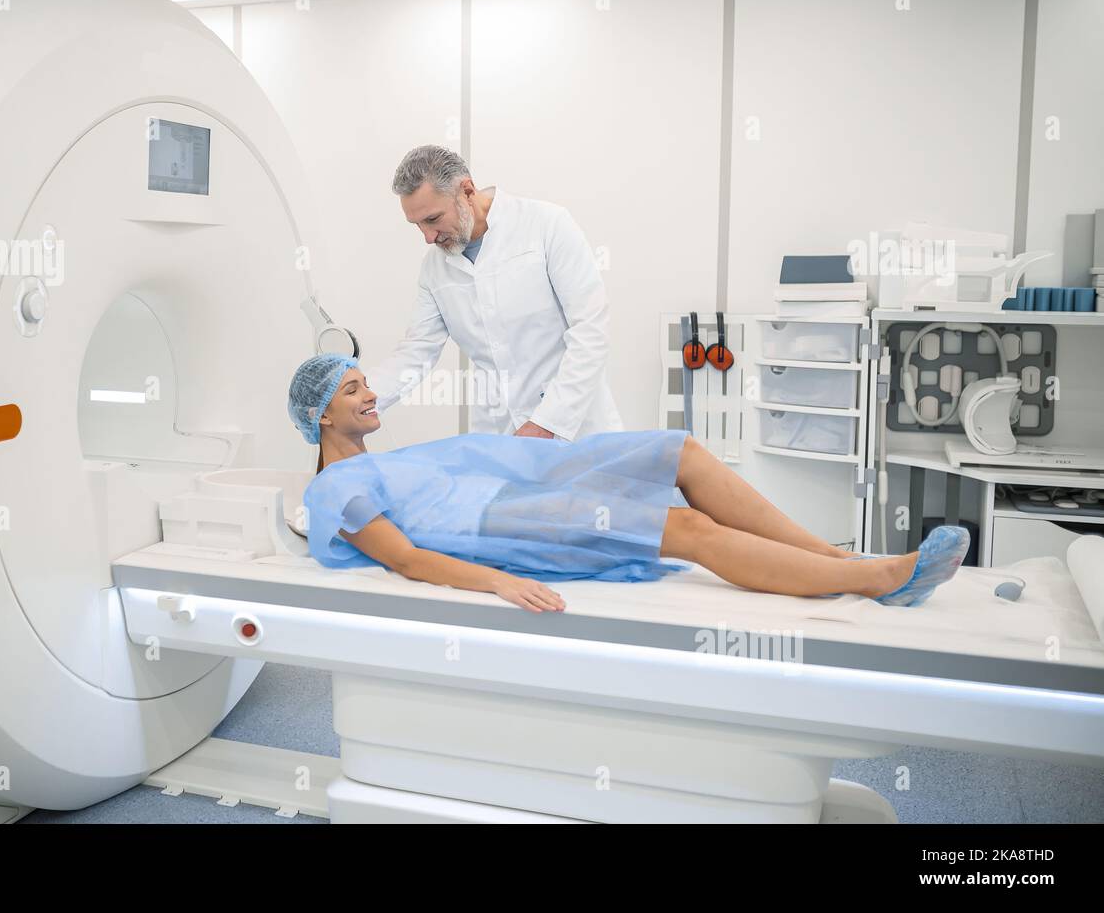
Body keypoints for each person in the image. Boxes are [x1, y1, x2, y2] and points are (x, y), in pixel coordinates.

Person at [288, 353, 969, 613]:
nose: (372, 394)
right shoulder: (333, 490)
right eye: (353, 390)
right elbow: (404, 558)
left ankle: (833, 556)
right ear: (320, 414)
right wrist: (496, 581)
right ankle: (879, 580)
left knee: (679, 452)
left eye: (366, 382)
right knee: (685, 530)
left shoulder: (378, 463)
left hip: (520, 485)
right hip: (504, 520)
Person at [366, 145, 622, 441]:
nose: (427, 237)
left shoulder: (546, 225)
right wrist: (355, 398)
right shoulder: (434, 268)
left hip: (577, 429)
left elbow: (590, 330)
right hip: (502, 437)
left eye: (433, 219)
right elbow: (416, 351)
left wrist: (548, 421)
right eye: (417, 225)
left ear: (468, 191)